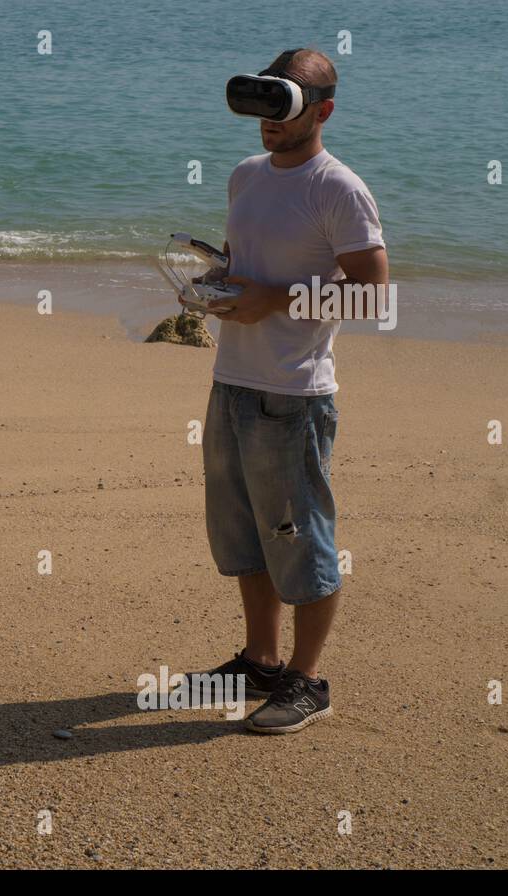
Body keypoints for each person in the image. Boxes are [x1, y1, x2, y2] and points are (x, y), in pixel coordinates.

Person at [183, 48, 388, 734]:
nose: (267, 123)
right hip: (233, 380)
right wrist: (219, 284)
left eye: (283, 108)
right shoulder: (245, 177)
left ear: (322, 112)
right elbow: (254, 269)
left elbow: (369, 298)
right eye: (263, 107)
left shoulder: (339, 188)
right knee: (243, 535)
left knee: (300, 540)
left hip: (293, 394)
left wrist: (271, 300)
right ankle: (260, 661)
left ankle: (307, 681)